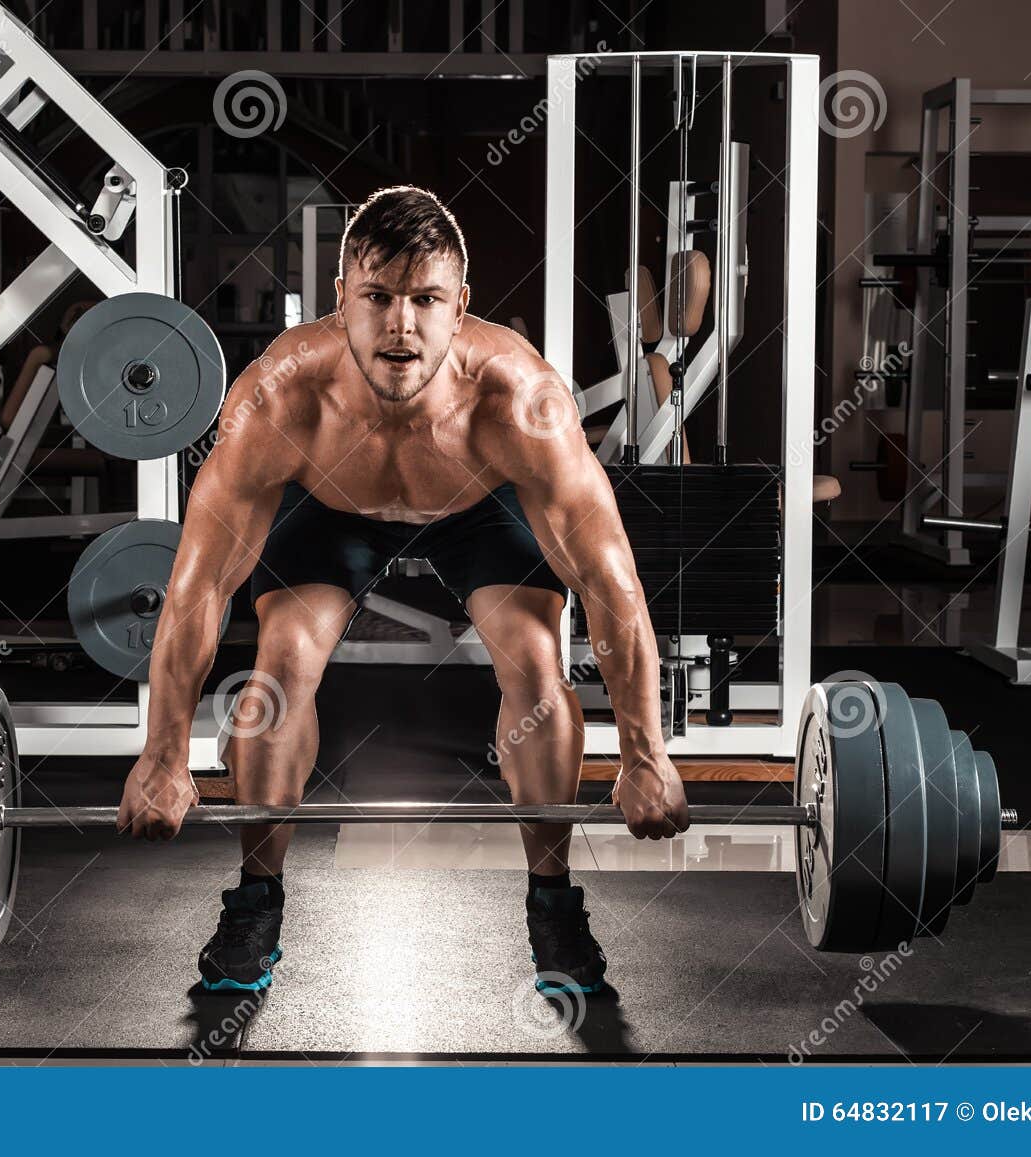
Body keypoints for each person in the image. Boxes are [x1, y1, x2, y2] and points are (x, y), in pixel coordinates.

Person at [116, 185, 688, 994]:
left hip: (475, 504)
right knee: (277, 669)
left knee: (533, 660)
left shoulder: (519, 400)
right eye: (378, 296)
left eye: (425, 299)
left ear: (462, 306)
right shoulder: (278, 396)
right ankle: (256, 900)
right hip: (330, 501)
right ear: (339, 300)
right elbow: (197, 589)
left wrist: (646, 754)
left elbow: (610, 583)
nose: (400, 324)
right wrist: (163, 754)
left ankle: (552, 899)